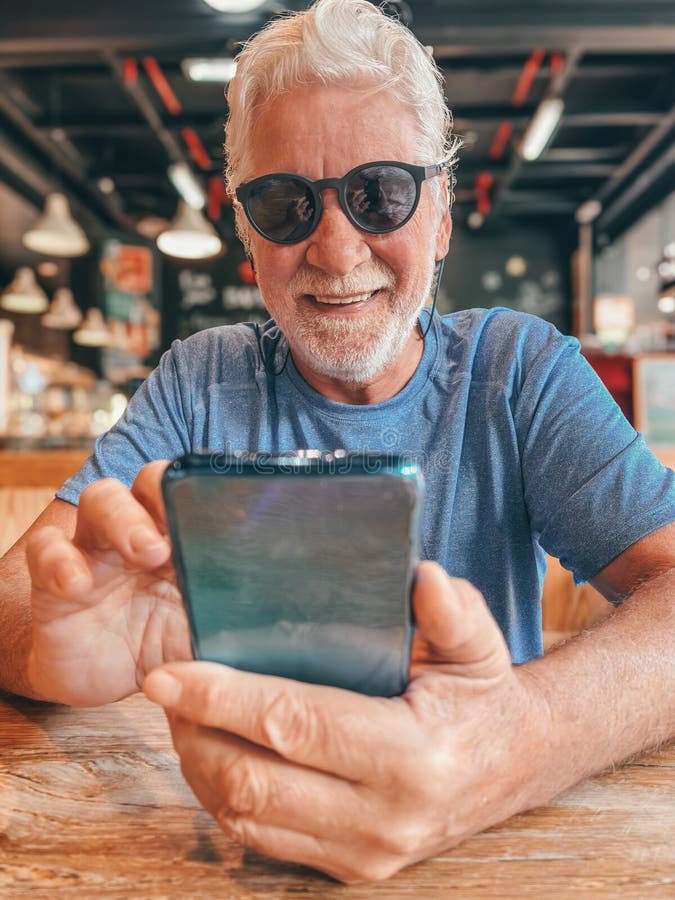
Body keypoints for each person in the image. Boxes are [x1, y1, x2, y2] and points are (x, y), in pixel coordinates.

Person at [1, 0, 673, 883]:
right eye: (283, 204)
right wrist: (51, 646)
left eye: (379, 193)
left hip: (500, 849)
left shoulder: (517, 370)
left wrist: (518, 738)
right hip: (232, 839)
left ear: (438, 213)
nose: (333, 246)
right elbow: (28, 591)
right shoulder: (203, 377)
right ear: (246, 232)